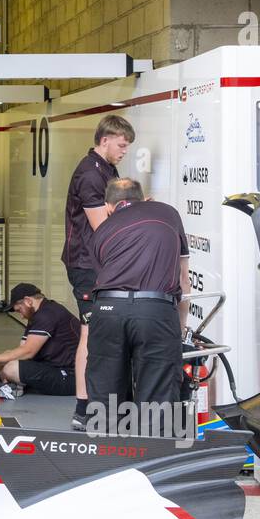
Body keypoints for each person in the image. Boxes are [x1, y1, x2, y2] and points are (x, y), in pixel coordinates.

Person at [86, 178, 190, 436]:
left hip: (108, 309)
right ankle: (156, 463)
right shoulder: (168, 213)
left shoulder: (100, 233)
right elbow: (183, 280)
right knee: (159, 393)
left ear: (108, 207)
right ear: (145, 199)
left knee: (105, 389)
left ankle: (106, 461)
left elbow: (104, 280)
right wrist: (180, 329)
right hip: (155, 309)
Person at [61, 113, 135, 429]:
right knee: (90, 335)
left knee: (100, 334)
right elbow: (102, 227)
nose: (124, 151)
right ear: (104, 140)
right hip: (86, 266)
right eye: (121, 145)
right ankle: (83, 408)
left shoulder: (107, 169)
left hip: (98, 265)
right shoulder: (90, 175)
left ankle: (101, 403)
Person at [0, 283, 80, 396]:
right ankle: (12, 386)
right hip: (53, 366)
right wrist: (0, 361)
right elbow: (22, 348)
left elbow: (28, 352)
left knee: (10, 369)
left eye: (19, 310)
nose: (22, 316)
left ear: (28, 301)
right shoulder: (37, 314)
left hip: (71, 377)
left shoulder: (47, 314)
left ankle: (11, 388)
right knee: (6, 358)